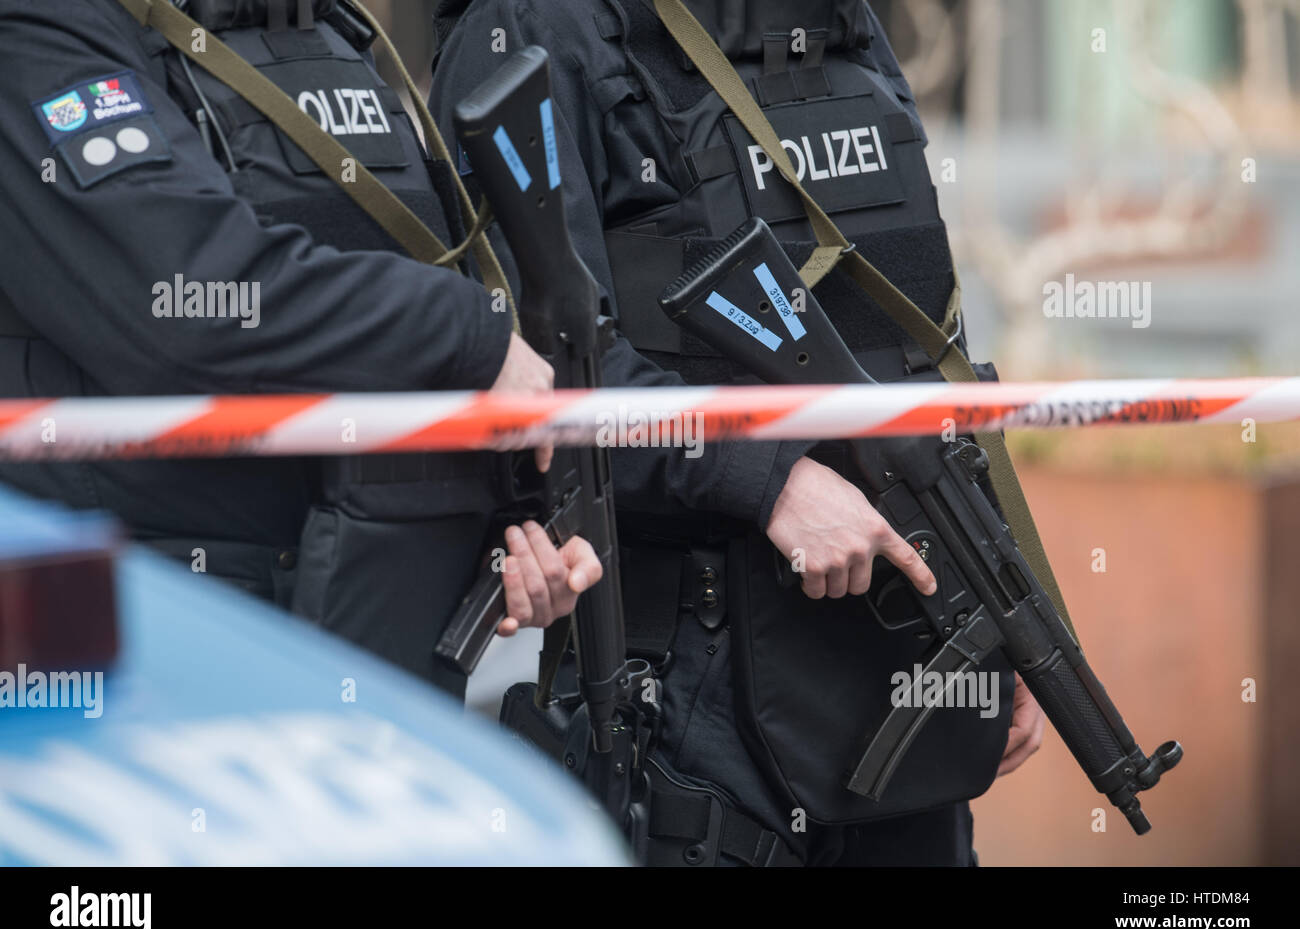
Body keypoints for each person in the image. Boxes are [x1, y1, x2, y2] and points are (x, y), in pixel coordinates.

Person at [431, 0, 1045, 865]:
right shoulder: (539, 28)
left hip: (898, 655)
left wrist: (1001, 609)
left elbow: (922, 346)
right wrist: (771, 481)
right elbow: (542, 368)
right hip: (691, 683)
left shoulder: (837, 20)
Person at [0, 0, 603, 696]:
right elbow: (187, 297)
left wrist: (510, 531)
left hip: (366, 638)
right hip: (145, 649)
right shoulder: (44, 27)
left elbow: (378, 306)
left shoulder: (326, 34)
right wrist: (468, 335)